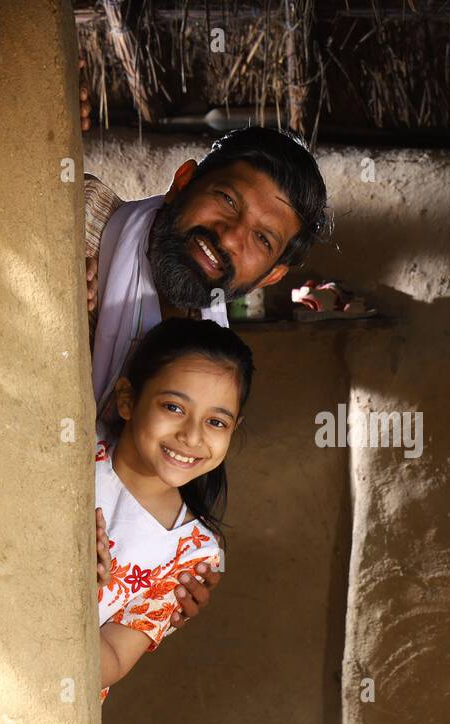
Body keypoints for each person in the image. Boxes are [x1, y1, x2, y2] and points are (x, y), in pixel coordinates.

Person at [84, 124, 332, 630]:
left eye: (262, 239)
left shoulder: (205, 356)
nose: (229, 236)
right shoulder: (75, 219)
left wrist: (156, 566)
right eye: (226, 199)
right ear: (182, 181)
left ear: (272, 276)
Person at [93, 318, 254, 702]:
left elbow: (113, 659)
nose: (192, 436)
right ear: (128, 399)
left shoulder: (193, 554)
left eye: (216, 421)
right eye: (173, 407)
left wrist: (76, 599)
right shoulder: (78, 449)